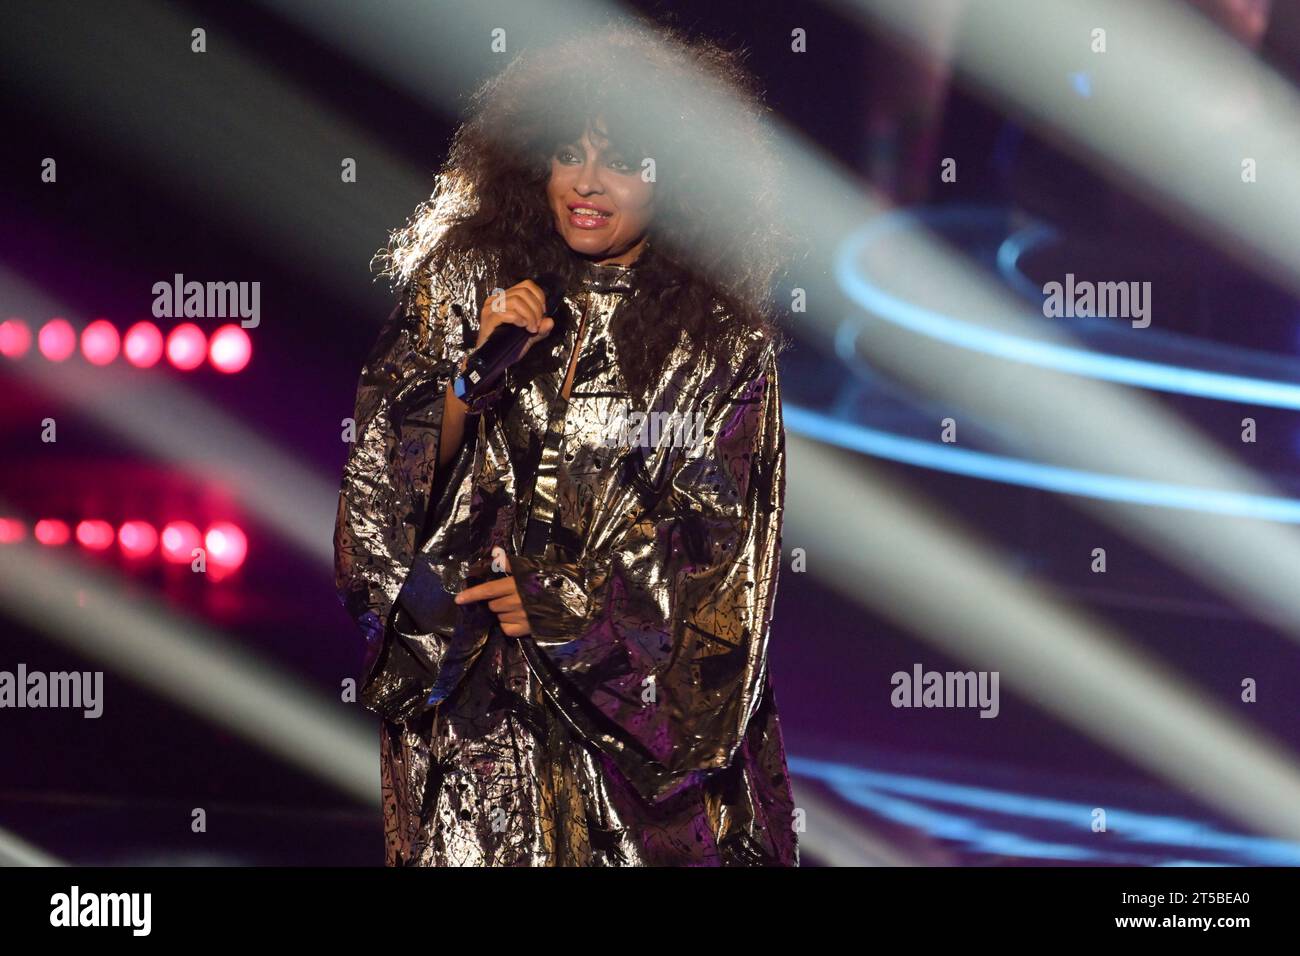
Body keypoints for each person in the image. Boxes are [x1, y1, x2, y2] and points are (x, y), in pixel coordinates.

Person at [334, 20, 799, 866]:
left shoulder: (723, 346)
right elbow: (377, 494)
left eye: (619, 161)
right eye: (567, 154)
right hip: (478, 715)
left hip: (633, 747)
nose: (585, 184)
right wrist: (469, 382)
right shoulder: (468, 283)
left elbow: (726, 568)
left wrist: (570, 605)